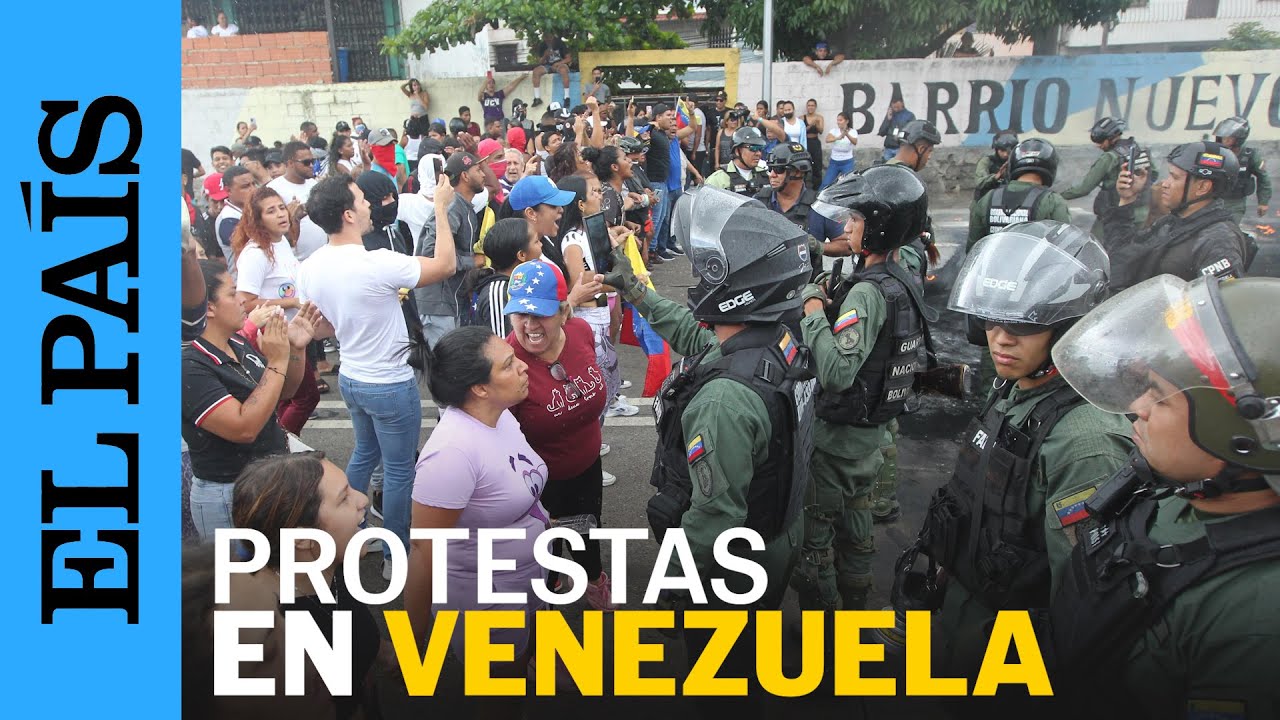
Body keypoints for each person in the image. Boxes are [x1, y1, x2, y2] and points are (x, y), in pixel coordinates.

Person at [886, 221, 1133, 704]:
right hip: (968, 623)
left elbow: (1083, 597)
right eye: (991, 321)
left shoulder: (1085, 442)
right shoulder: (1018, 389)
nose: (1000, 339)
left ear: (1068, 327)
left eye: (1023, 325)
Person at [599, 187, 815, 706]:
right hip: (777, 535)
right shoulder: (778, 338)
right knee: (752, 652)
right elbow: (698, 337)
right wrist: (637, 291)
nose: (700, 283)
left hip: (731, 565)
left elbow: (713, 517)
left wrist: (673, 586)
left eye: (710, 275)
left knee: (720, 676)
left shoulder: (724, 401)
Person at [1046, 273, 1280, 717]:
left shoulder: (1256, 622)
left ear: (1233, 432)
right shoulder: (1174, 493)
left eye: (1161, 398)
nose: (1138, 408)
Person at [298, 175, 458, 580]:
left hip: (352, 378)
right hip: (388, 383)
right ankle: (395, 553)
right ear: (348, 214)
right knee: (400, 470)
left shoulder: (311, 266)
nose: (369, 204)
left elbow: (322, 326)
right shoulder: (376, 261)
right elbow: (445, 265)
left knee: (365, 455)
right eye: (361, 200)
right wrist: (441, 207)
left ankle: (356, 535)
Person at [789, 165, 932, 614]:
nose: (847, 227)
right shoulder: (901, 278)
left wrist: (813, 309)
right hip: (870, 436)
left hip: (838, 440)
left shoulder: (868, 293)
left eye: (855, 219)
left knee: (815, 540)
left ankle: (824, 629)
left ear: (880, 226)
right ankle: (856, 609)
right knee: (857, 527)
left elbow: (836, 372)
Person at [405, 326, 548, 703]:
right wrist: (412, 643)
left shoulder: (500, 416)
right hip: (486, 600)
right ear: (480, 388)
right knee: (499, 701)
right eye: (508, 365)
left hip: (523, 582)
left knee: (517, 679)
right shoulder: (451, 455)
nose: (523, 366)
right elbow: (424, 552)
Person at [232, 452, 380, 720]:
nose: (363, 499)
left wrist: (379, 651)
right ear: (302, 538)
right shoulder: (271, 637)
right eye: (344, 498)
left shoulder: (329, 563)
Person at [503, 259, 614, 608]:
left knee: (587, 534)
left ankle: (592, 581)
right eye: (521, 313)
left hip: (587, 466)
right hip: (538, 484)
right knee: (543, 553)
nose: (529, 324)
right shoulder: (507, 362)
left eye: (540, 314)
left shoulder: (580, 332)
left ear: (564, 311)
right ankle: (547, 596)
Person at [182, 261, 315, 539]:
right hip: (229, 495)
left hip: (267, 483)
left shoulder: (236, 341)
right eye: (232, 294)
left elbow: (283, 392)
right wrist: (277, 361)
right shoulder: (189, 365)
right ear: (209, 307)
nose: (243, 300)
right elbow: (244, 428)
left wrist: (294, 349)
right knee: (240, 569)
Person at [964, 138, 1072, 393]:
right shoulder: (1052, 202)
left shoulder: (988, 199)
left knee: (994, 356)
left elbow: (973, 250)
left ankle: (991, 402)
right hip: (1032, 300)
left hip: (991, 293)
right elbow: (1065, 258)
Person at [230, 187, 322, 436]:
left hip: (293, 334)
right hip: (272, 337)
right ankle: (282, 443)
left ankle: (279, 444)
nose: (281, 214)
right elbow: (245, 302)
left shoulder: (280, 242)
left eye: (282, 208)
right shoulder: (255, 253)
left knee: (288, 398)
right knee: (305, 397)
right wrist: (290, 303)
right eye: (271, 211)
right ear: (258, 219)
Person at [1104, 141, 1253, 292]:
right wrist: (1127, 199)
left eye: (1174, 177)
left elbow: (1219, 299)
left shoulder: (1218, 240)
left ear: (1202, 187)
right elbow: (1123, 256)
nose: (1165, 183)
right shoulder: (1174, 222)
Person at [414, 151, 484, 347]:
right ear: (465, 176)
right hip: (438, 304)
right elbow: (430, 254)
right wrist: (472, 261)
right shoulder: (452, 207)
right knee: (440, 361)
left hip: (451, 301)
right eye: (478, 170)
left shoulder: (463, 206)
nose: (483, 174)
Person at [755, 143, 849, 260]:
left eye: (779, 169)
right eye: (770, 169)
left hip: (807, 272)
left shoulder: (820, 206)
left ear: (798, 172)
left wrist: (818, 246)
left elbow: (846, 246)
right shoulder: (758, 202)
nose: (772, 175)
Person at [459, 218, 542, 336]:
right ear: (522, 255)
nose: (541, 245)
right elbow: (503, 342)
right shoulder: (498, 293)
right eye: (536, 241)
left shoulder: (519, 285)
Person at [1061, 117, 1139, 241]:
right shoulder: (1137, 150)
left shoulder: (1109, 158)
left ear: (1111, 138)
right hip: (1140, 214)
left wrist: (1056, 196)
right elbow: (1153, 174)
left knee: (1093, 245)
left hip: (1112, 216)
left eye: (1101, 141)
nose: (1098, 145)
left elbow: (1084, 188)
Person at [507, 174, 576, 278]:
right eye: (554, 205)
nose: (561, 210)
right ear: (531, 213)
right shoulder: (523, 256)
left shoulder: (545, 239)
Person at [1214, 115, 1272, 224]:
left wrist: (1263, 202)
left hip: (1235, 202)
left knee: (1230, 228)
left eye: (1229, 137)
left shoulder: (1249, 155)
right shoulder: (1214, 153)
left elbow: (1263, 178)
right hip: (1213, 200)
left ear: (1238, 139)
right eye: (1223, 137)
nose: (1225, 140)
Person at [704, 126, 769, 197]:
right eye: (753, 148)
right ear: (737, 151)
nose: (758, 153)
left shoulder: (767, 176)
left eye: (760, 149)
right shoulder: (717, 180)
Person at [530, 31, 573, 107]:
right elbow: (540, 62)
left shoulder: (560, 43)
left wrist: (558, 63)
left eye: (550, 38)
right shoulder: (542, 45)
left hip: (560, 64)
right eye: (546, 39)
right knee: (536, 71)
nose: (548, 40)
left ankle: (567, 97)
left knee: (563, 70)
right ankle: (537, 98)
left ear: (553, 37)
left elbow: (568, 58)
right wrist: (545, 56)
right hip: (548, 65)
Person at [973, 131, 1018, 199]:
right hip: (988, 199)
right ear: (996, 149)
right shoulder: (987, 161)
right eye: (1002, 150)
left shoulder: (1018, 161)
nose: (1005, 154)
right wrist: (996, 177)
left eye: (1008, 151)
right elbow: (979, 182)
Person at [820, 113, 858, 189]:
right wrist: (838, 137)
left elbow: (855, 142)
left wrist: (847, 134)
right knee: (826, 183)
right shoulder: (834, 131)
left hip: (847, 162)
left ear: (847, 121)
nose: (838, 122)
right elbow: (827, 139)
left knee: (848, 184)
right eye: (837, 120)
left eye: (840, 120)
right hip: (834, 162)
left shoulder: (853, 131)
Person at [877, 98, 916, 162]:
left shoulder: (909, 116)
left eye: (897, 106)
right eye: (894, 107)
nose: (895, 108)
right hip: (888, 148)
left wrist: (900, 136)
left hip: (900, 148)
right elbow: (881, 132)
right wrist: (888, 119)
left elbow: (911, 132)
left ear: (902, 103)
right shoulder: (891, 115)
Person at [802, 99, 825, 189]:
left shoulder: (819, 117)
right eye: (809, 105)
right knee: (804, 164)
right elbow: (802, 131)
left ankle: (817, 187)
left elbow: (821, 131)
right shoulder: (802, 118)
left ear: (815, 107)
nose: (810, 107)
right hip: (805, 142)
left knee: (817, 165)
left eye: (812, 105)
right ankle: (803, 186)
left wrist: (817, 124)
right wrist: (811, 124)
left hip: (815, 142)